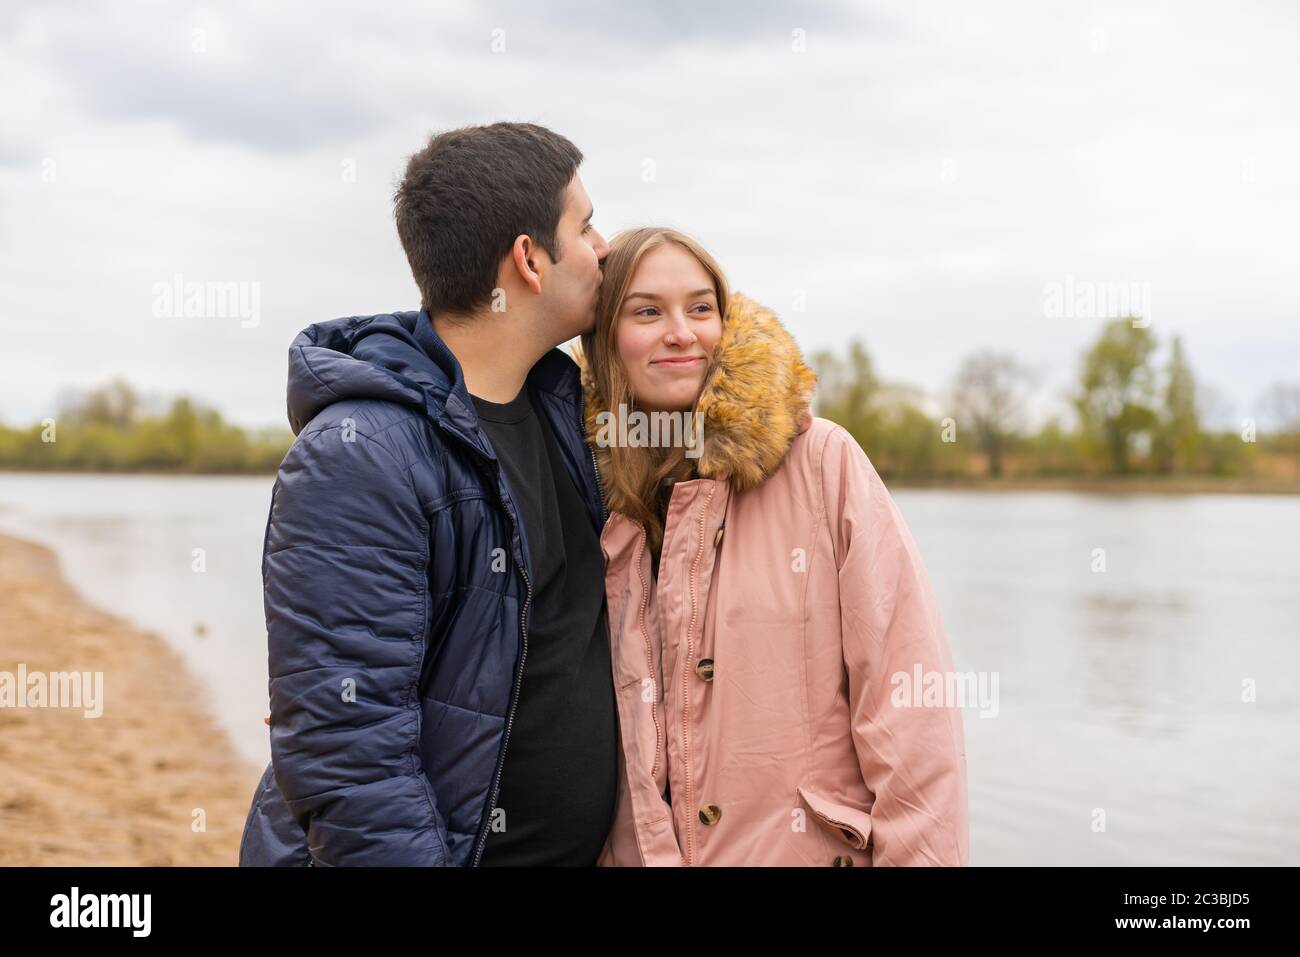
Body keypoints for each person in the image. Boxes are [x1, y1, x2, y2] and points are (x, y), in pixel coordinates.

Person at [238, 122, 616, 866]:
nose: (605, 246)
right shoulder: (361, 457)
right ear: (529, 259)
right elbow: (348, 753)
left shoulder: (565, 411)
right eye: (586, 225)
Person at [578, 227, 970, 866]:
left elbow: (909, 700)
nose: (682, 332)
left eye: (701, 307)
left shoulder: (822, 462)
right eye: (647, 311)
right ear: (603, 338)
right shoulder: (582, 493)